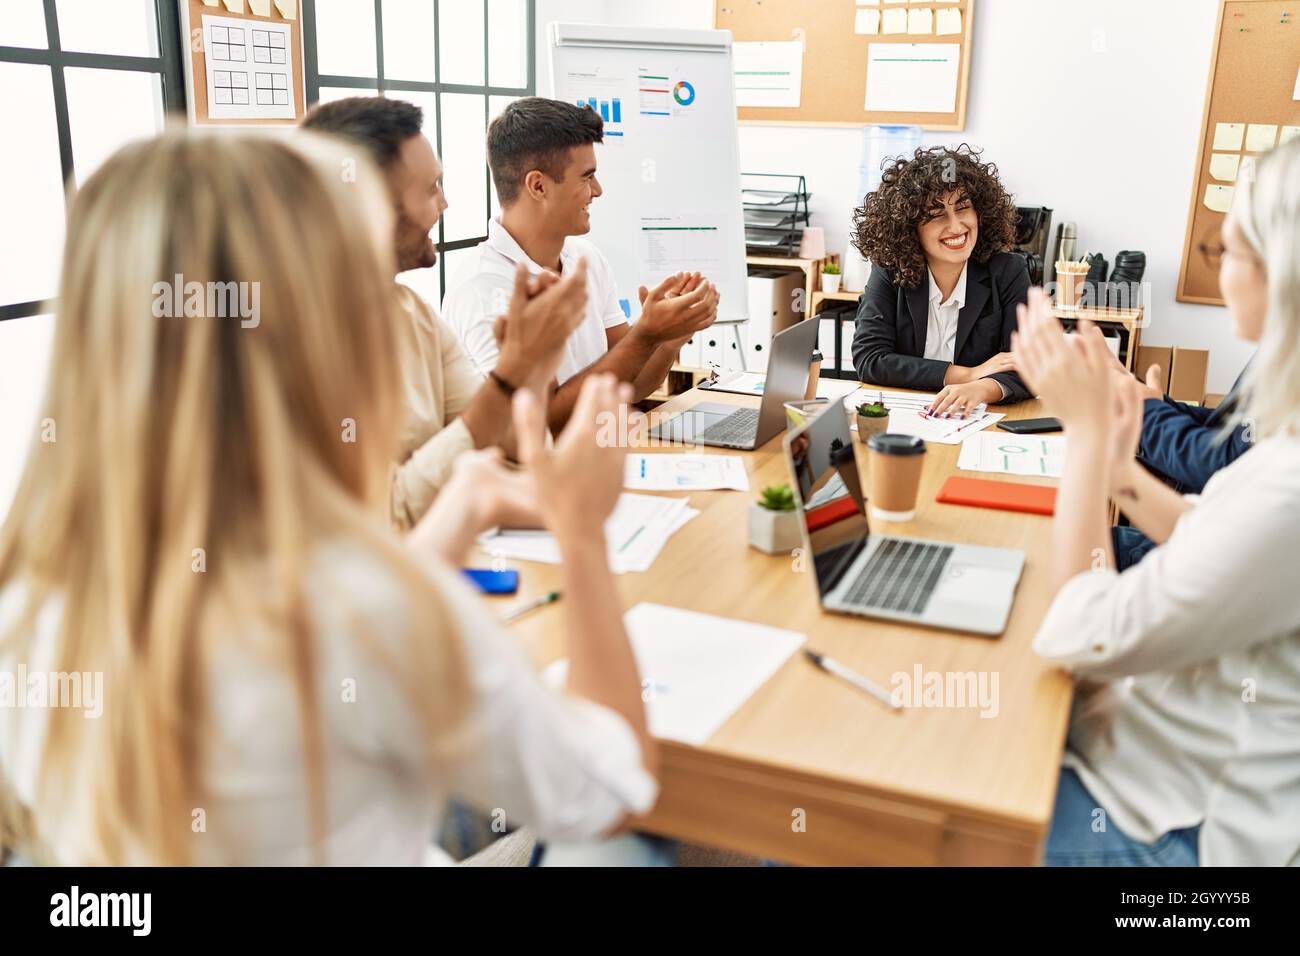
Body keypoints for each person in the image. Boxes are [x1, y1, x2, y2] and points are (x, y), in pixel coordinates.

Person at [0, 129, 664, 866]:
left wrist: (466, 501)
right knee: (632, 846)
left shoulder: (30, 591)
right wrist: (581, 535)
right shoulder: (365, 604)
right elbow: (612, 791)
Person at [1013, 136, 1300, 867]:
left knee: (845, 814)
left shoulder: (1288, 488)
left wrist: (1082, 439)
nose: (1219, 262)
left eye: (1228, 248)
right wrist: (1116, 471)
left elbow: (1077, 632)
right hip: (1161, 764)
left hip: (1169, 835)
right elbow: (1214, 532)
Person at [302, 96, 587, 530]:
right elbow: (387, 519)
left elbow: (509, 455)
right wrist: (513, 372)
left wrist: (532, 369)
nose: (445, 203)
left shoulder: (412, 312)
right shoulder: (300, 341)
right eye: (431, 188)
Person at [442, 97, 720, 432]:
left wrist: (668, 339)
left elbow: (630, 385)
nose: (598, 191)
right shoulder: (484, 288)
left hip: (596, 462)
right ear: (538, 186)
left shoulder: (586, 258)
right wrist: (645, 334)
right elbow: (537, 426)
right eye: (586, 177)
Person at [851, 144, 1031, 418]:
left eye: (963, 208)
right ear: (909, 228)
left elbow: (1024, 365)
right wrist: (967, 374)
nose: (957, 226)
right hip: (903, 417)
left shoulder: (1008, 272)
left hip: (976, 420)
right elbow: (871, 359)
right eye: (936, 215)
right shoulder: (890, 270)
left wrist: (980, 388)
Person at [1109, 358, 1252, 569]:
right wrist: (1158, 406)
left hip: (1210, 555)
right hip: (1199, 531)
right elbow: (1226, 430)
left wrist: (1147, 412)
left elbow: (1227, 464)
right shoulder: (1282, 347)